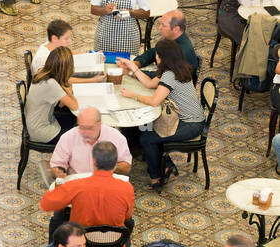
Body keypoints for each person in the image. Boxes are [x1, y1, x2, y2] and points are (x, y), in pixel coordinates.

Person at [120, 37, 205, 188]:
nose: (155, 57)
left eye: (157, 55)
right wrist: (133, 68)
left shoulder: (169, 75)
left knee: (147, 138)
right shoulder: (177, 68)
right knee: (148, 128)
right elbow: (149, 83)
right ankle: (166, 164)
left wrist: (134, 95)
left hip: (190, 124)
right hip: (189, 118)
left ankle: (156, 177)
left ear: (163, 57)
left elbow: (154, 101)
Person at [40, 141, 135, 247]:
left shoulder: (76, 186)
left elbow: (45, 204)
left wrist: (60, 185)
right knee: (128, 229)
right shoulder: (127, 188)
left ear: (93, 161)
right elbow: (127, 217)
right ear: (115, 164)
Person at [50, 107, 132, 178]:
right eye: (81, 127)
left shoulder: (116, 137)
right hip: (78, 182)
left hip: (105, 182)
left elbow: (126, 167)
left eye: (89, 128)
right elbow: (56, 165)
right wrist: (58, 172)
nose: (85, 132)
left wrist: (110, 166)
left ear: (99, 124)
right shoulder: (68, 137)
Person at [24, 46, 79, 145]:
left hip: (36, 123)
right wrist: (66, 85)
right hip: (42, 131)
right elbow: (75, 105)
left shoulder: (43, 73)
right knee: (80, 135)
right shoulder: (51, 84)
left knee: (75, 119)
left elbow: (62, 104)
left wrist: (62, 83)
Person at [129, 10, 199, 74]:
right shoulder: (172, 38)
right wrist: (137, 63)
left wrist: (134, 72)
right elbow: (154, 52)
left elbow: (162, 77)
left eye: (164, 25)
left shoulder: (181, 52)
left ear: (176, 29)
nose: (159, 28)